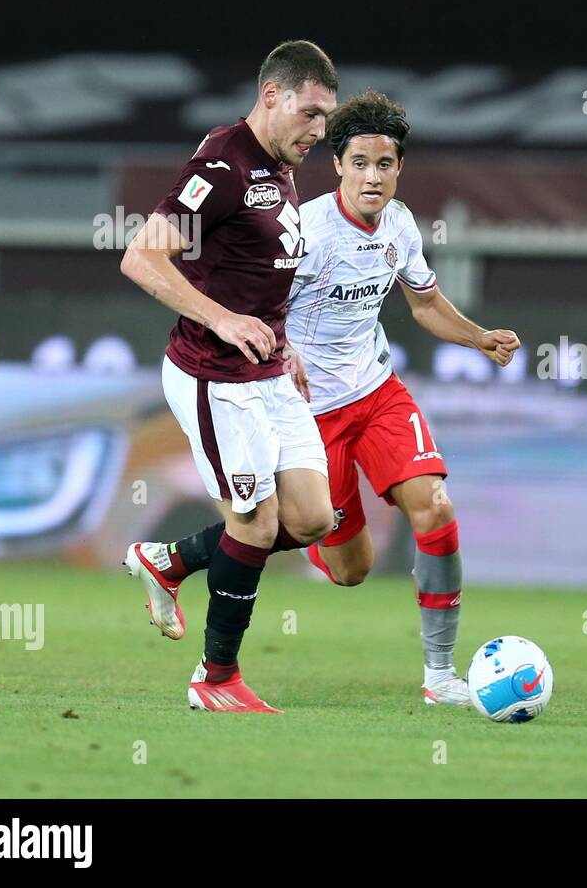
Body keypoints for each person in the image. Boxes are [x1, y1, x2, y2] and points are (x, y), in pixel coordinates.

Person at [141, 90, 521, 706]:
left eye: (386, 164)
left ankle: (441, 676)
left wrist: (479, 338)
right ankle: (180, 558)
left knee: (436, 507)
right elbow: (257, 301)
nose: (374, 177)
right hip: (310, 414)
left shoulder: (399, 226)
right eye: (361, 163)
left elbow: (423, 303)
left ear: (400, 169)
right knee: (349, 568)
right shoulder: (306, 231)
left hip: (378, 395)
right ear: (338, 166)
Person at [119, 40, 339, 713]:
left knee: (309, 519)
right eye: (309, 114)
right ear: (271, 95)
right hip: (216, 377)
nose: (319, 132)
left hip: (269, 372)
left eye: (326, 119)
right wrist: (221, 319)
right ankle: (216, 681)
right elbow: (141, 256)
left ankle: (172, 560)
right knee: (252, 522)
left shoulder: (281, 163)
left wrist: (285, 340)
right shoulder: (223, 163)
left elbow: (255, 272)